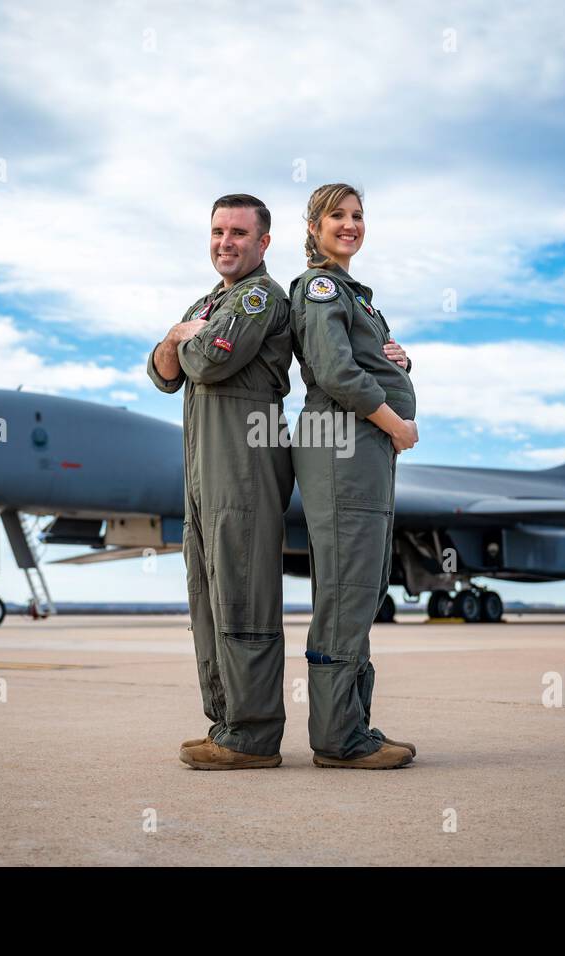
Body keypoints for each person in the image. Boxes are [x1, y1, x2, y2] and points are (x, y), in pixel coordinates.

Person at [147, 194, 294, 770]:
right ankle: (226, 724)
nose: (225, 242)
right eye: (217, 231)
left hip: (245, 464)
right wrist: (175, 338)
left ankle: (254, 735)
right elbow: (162, 372)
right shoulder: (208, 303)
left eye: (238, 232)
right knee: (206, 597)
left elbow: (207, 363)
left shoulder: (262, 296)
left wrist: (184, 342)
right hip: (204, 469)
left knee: (243, 597)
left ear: (263, 242)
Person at [289, 183, 419, 769]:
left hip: (361, 450)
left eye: (358, 215)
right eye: (336, 216)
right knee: (345, 590)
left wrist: (400, 361)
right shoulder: (320, 288)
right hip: (345, 446)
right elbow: (336, 373)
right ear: (313, 227)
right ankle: (339, 739)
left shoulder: (354, 295)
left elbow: (363, 358)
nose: (350, 224)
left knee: (360, 587)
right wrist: (396, 423)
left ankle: (353, 726)